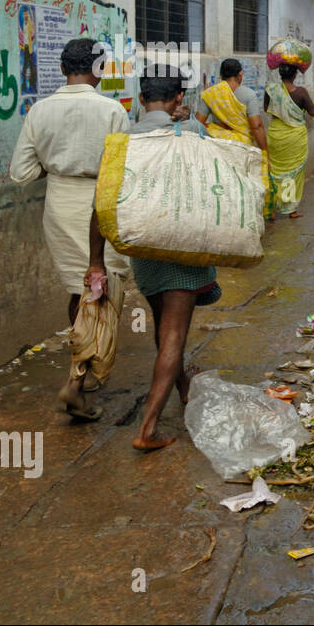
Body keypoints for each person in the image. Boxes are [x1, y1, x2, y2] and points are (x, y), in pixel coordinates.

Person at [86, 65, 220, 451]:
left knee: (164, 330)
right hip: (181, 246)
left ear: (142, 100)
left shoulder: (122, 140)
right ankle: (147, 428)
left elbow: (101, 206)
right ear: (180, 98)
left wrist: (96, 260)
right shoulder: (191, 131)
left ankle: (184, 388)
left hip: (143, 251)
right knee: (174, 336)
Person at [10, 36, 130, 421]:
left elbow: (21, 173)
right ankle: (77, 381)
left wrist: (56, 164)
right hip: (102, 203)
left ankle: (85, 367)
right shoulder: (113, 110)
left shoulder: (39, 111)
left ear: (63, 69)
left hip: (60, 203)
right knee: (102, 287)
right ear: (100, 70)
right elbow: (124, 170)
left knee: (79, 288)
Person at [196, 59, 272, 216]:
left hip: (218, 145)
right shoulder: (248, 95)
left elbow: (198, 124)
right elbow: (256, 126)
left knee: (221, 181)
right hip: (241, 145)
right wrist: (264, 150)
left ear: (221, 75)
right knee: (242, 183)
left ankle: (221, 214)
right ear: (240, 75)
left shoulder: (210, 94)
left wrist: (216, 127)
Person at [263, 62, 314, 218]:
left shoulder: (271, 90)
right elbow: (313, 112)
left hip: (275, 134)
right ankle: (290, 209)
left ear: (280, 74)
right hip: (295, 137)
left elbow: (266, 108)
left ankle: (271, 208)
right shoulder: (301, 92)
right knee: (293, 174)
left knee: (274, 171)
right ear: (295, 75)